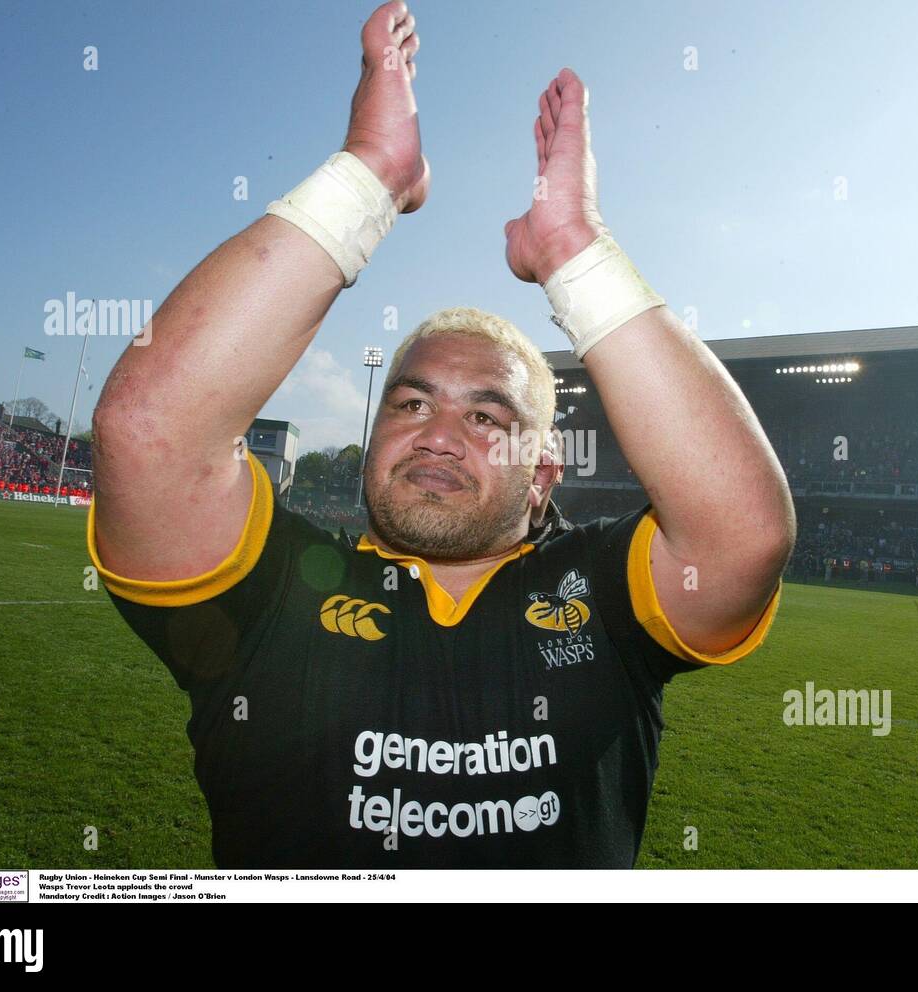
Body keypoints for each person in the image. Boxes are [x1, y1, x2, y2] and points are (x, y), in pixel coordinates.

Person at [87, 1, 794, 868]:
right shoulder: (274, 596)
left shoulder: (604, 599)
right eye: (411, 404)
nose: (436, 434)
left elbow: (746, 539)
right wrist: (370, 179)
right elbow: (148, 433)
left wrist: (575, 252)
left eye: (486, 416)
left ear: (544, 473)